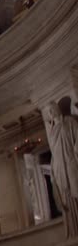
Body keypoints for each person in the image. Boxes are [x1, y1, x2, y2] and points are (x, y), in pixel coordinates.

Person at [44, 101, 78, 238]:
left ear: (57, 109)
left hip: (70, 164)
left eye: (52, 110)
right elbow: (54, 153)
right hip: (59, 169)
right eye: (49, 112)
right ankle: (74, 231)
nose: (51, 113)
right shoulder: (52, 131)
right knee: (66, 199)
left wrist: (75, 155)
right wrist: (53, 169)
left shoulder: (70, 122)